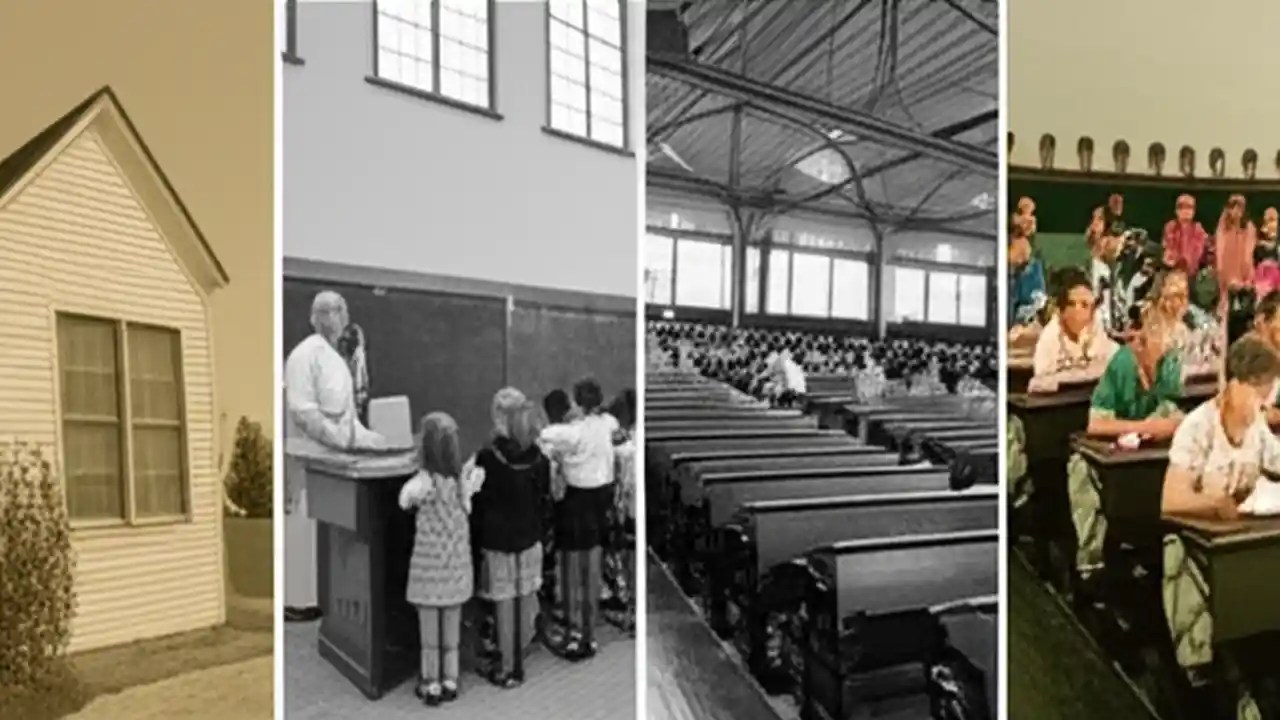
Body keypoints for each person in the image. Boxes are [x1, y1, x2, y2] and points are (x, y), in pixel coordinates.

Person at [1161, 336, 1280, 707]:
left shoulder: (1256, 427)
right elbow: (1170, 501)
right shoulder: (1197, 427)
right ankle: (1207, 676)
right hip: (1198, 544)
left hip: (1242, 537)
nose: (1264, 402)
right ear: (1234, 385)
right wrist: (1212, 504)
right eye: (1258, 391)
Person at [282, 291, 387, 620]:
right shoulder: (303, 356)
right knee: (302, 532)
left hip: (334, 462)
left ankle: (326, 599)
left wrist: (376, 441)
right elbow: (303, 413)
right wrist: (341, 440)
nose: (332, 318)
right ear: (313, 318)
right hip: (307, 461)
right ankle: (298, 602)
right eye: (325, 311)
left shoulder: (337, 360)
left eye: (338, 310)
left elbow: (347, 418)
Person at [1065, 309, 1183, 585]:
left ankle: (1152, 551)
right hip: (1110, 449)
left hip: (1147, 450)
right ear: (1139, 342)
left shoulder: (1170, 363)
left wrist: (1165, 424)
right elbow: (1096, 424)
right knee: (1081, 472)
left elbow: (1172, 409)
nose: (1164, 358)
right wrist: (1145, 427)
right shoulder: (1122, 364)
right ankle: (1091, 564)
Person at [471, 389, 550, 688]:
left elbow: (476, 498)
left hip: (498, 538)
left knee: (504, 599)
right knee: (525, 595)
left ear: (498, 417)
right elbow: (544, 497)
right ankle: (520, 654)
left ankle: (507, 668)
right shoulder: (538, 457)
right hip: (529, 535)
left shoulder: (488, 457)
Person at [398, 412, 477, 706]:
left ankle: (430, 682)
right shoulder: (460, 483)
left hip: (428, 570)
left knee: (429, 635)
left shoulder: (423, 482)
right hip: (454, 568)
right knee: (451, 631)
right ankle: (451, 679)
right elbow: (468, 507)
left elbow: (403, 500)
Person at [540, 377, 619, 660]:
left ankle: (573, 633)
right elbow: (614, 430)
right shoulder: (608, 423)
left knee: (572, 567)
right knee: (593, 566)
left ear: (576, 402)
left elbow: (545, 436)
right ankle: (590, 634)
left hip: (575, 502)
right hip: (601, 500)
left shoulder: (573, 432)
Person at [1031, 267, 1116, 386]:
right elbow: (1041, 381)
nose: (1090, 313)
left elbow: (1114, 361)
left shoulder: (1096, 325)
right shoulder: (1050, 338)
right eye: (1083, 305)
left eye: (1090, 305)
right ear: (1062, 310)